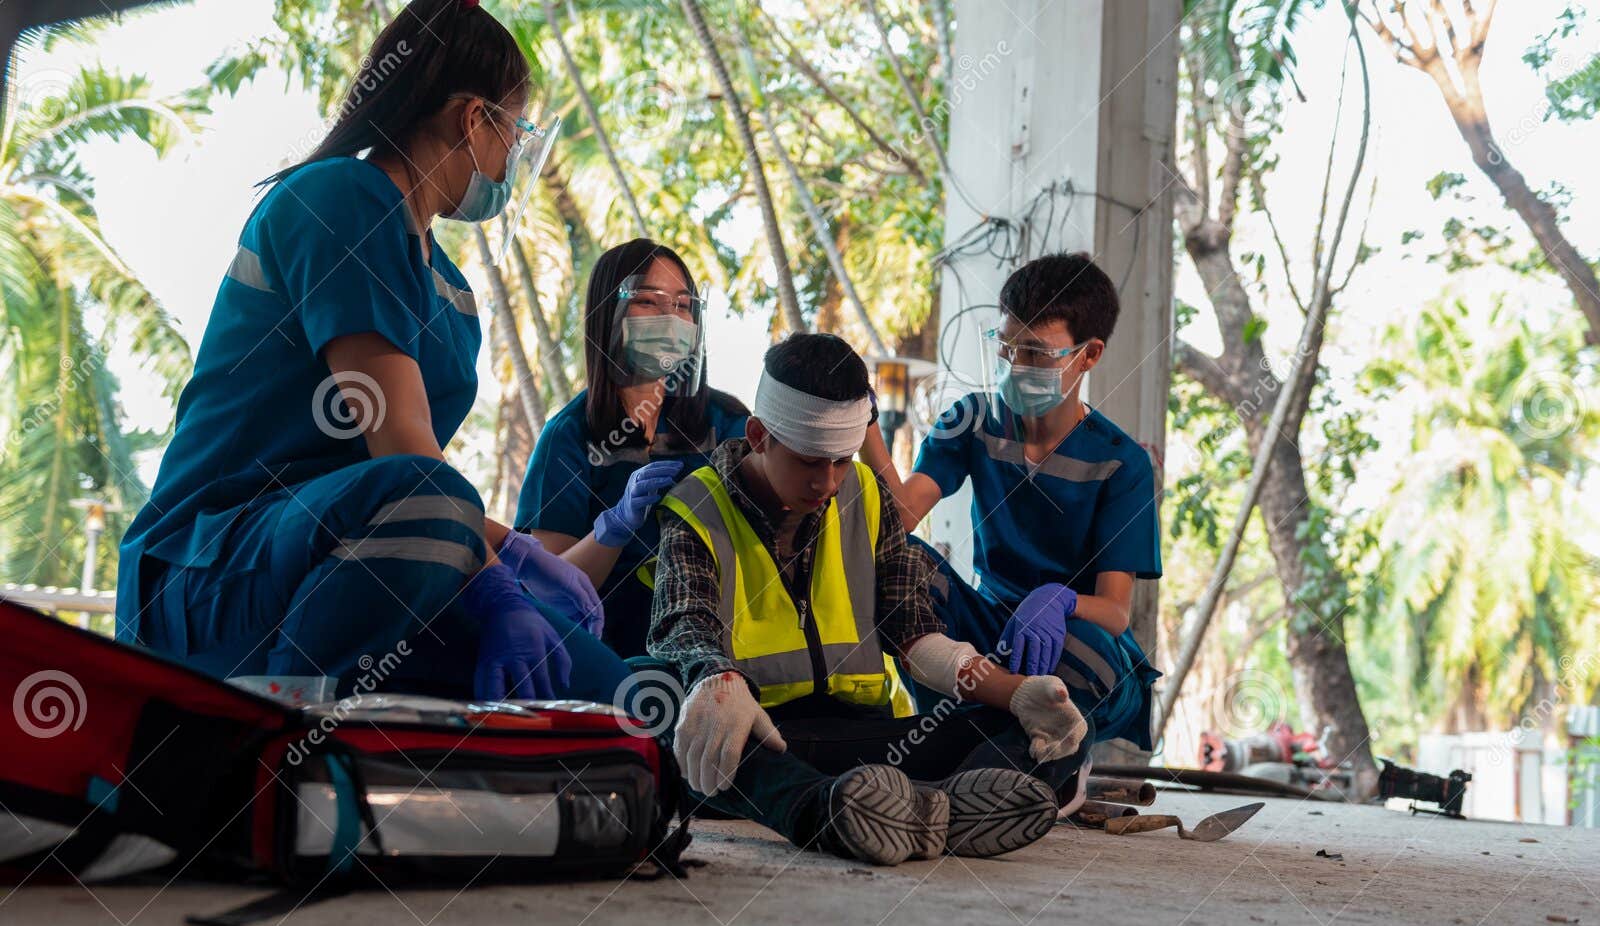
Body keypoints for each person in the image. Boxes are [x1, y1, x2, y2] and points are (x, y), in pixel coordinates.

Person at [115, 0, 625, 704]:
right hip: (210, 567)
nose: (515, 156)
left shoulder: (451, 291)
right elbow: (405, 456)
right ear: (472, 120)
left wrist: (518, 555)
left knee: (608, 687)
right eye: (516, 128)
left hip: (349, 564)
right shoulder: (342, 197)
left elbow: (399, 493)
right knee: (437, 504)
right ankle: (267, 737)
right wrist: (503, 577)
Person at [648, 334, 1092, 867]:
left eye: (842, 461)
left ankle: (926, 811)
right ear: (759, 436)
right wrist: (716, 678)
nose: (828, 482)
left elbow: (915, 635)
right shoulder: (696, 507)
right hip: (761, 739)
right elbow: (685, 627)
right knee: (659, 706)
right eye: (811, 462)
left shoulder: (865, 493)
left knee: (1051, 730)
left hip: (864, 742)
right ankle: (829, 811)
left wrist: (1017, 693)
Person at [861, 252, 1162, 750]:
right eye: (1007, 346)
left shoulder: (1120, 463)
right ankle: (954, 738)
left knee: (1081, 656)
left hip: (1080, 646)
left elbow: (1114, 611)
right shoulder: (973, 421)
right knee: (904, 563)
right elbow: (900, 521)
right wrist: (868, 427)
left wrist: (1060, 600)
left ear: (1089, 355)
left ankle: (1045, 750)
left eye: (1037, 353)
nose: (1017, 365)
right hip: (992, 631)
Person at [515, 238, 748, 658]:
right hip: (616, 658)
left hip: (723, 649)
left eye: (682, 305)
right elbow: (547, 588)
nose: (670, 317)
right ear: (609, 312)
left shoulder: (726, 420)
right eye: (648, 301)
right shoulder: (569, 435)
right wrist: (613, 528)